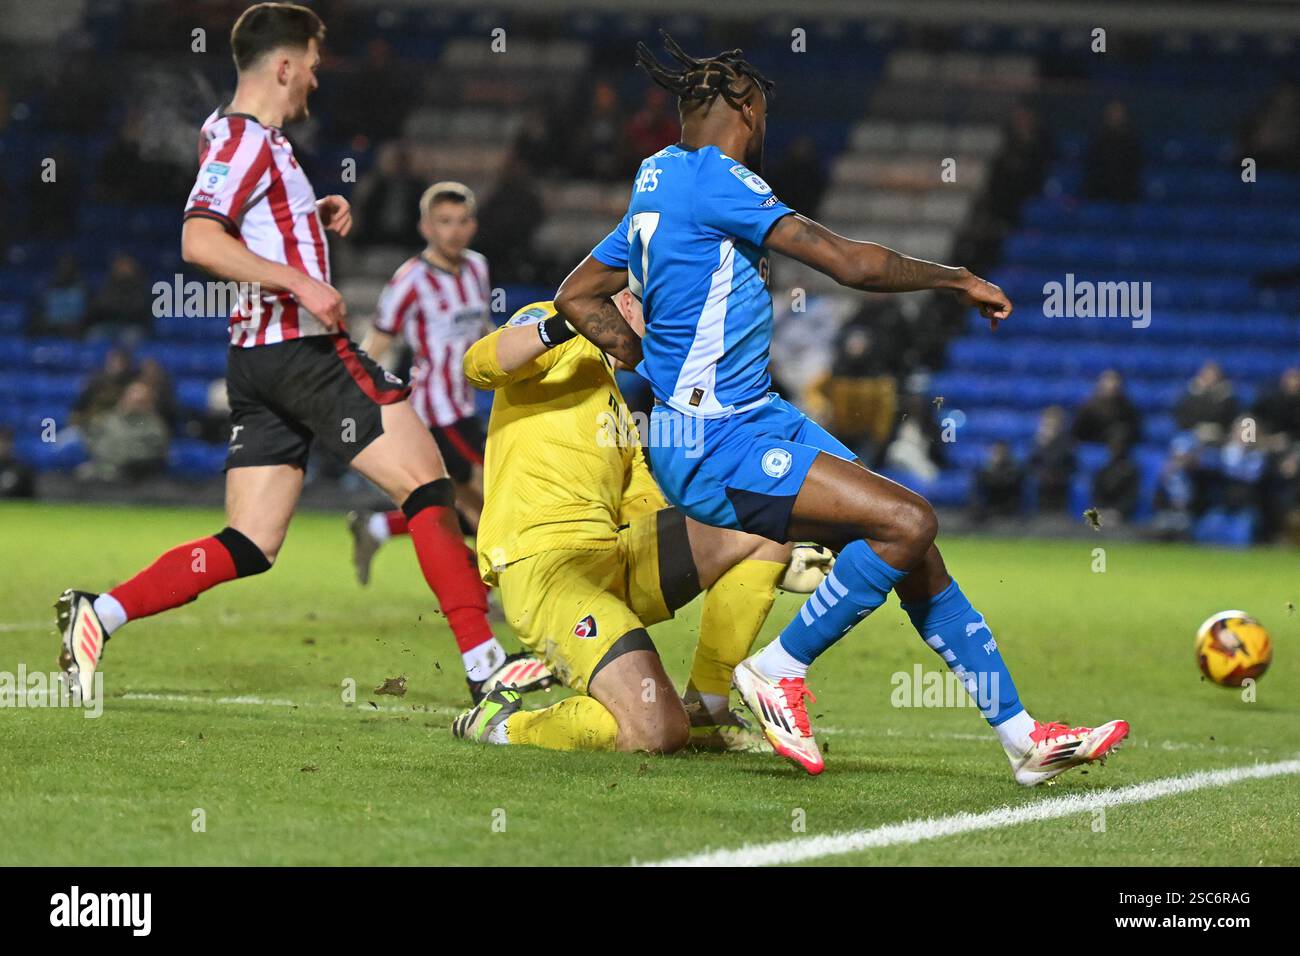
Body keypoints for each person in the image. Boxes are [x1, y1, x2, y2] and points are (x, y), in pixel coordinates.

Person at [554, 34, 1127, 782]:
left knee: (912, 547)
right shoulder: (718, 180)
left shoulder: (655, 183)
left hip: (746, 417)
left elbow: (576, 294)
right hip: (713, 439)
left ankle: (1023, 738)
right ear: (748, 110)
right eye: (764, 115)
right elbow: (851, 263)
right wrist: (955, 278)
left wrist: (639, 358)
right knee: (909, 519)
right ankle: (774, 670)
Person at [54, 3, 515, 707]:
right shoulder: (246, 141)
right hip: (303, 351)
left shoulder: (245, 140)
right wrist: (301, 277)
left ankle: (100, 613)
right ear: (284, 65)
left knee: (251, 541)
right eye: (313, 66)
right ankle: (487, 668)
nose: (317, 82)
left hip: (259, 363)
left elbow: (242, 220)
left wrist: (307, 220)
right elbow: (198, 240)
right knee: (428, 487)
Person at [451, 296, 832, 753]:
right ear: (627, 303)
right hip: (549, 571)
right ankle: (503, 724)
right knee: (655, 732)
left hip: (613, 559)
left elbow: (649, 513)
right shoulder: (560, 333)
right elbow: (478, 365)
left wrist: (777, 560)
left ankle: (708, 709)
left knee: (765, 523)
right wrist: (567, 325)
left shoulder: (617, 408)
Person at [348, 182, 493, 585]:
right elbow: (378, 341)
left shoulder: (478, 268)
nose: (454, 231)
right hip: (434, 411)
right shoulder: (409, 279)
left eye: (462, 221)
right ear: (425, 227)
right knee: (490, 499)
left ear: (474, 225)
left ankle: (378, 528)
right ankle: (493, 594)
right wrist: (352, 400)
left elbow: (483, 328)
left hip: (466, 407)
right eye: (444, 222)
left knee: (456, 506)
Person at [1072, 368, 1142, 448]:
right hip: (1092, 446)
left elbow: (1136, 432)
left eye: (1115, 381)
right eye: (1108, 381)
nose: (1112, 385)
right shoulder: (1087, 408)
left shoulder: (1128, 408)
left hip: (1120, 448)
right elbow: (1077, 433)